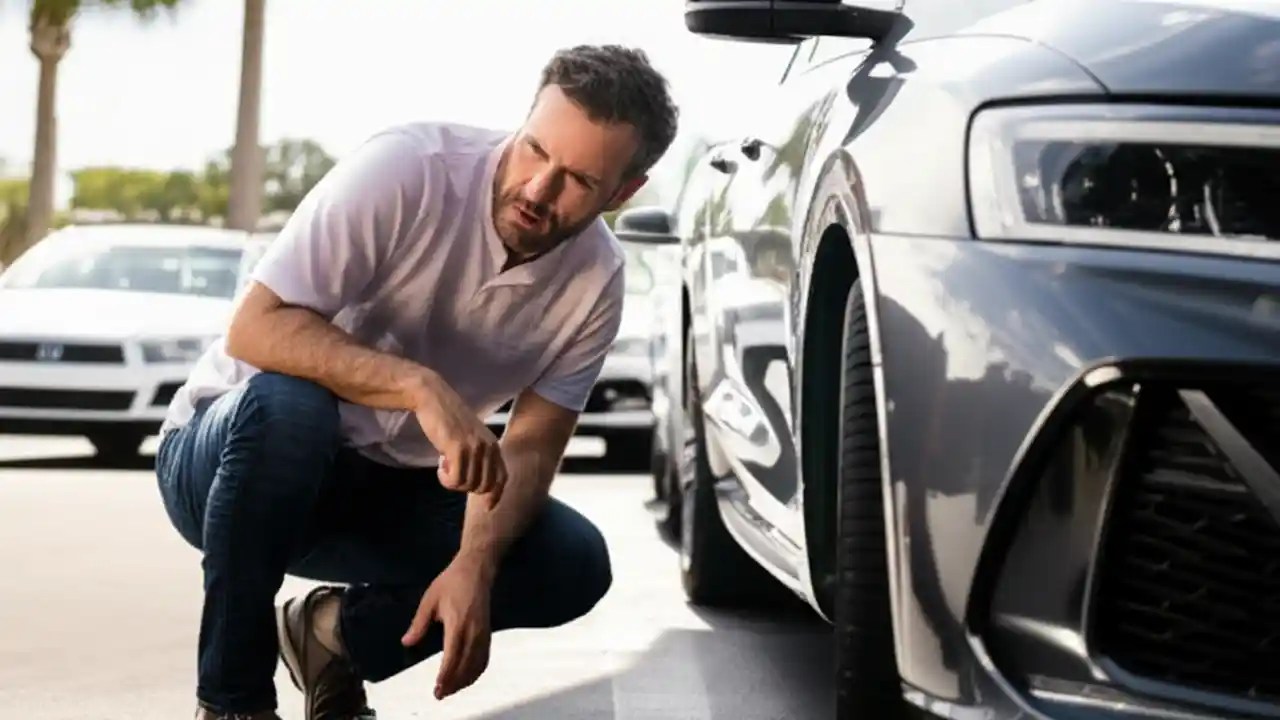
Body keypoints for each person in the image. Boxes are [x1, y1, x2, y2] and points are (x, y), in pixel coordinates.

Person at [154, 44, 678, 720]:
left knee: (570, 560)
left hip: (382, 493)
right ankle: (233, 703)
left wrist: (475, 565)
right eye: (534, 150)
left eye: (577, 179)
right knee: (295, 406)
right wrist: (419, 387)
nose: (539, 189)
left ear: (624, 192)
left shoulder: (596, 281)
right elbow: (255, 330)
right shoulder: (408, 169)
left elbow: (533, 446)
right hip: (232, 464)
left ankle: (332, 635)